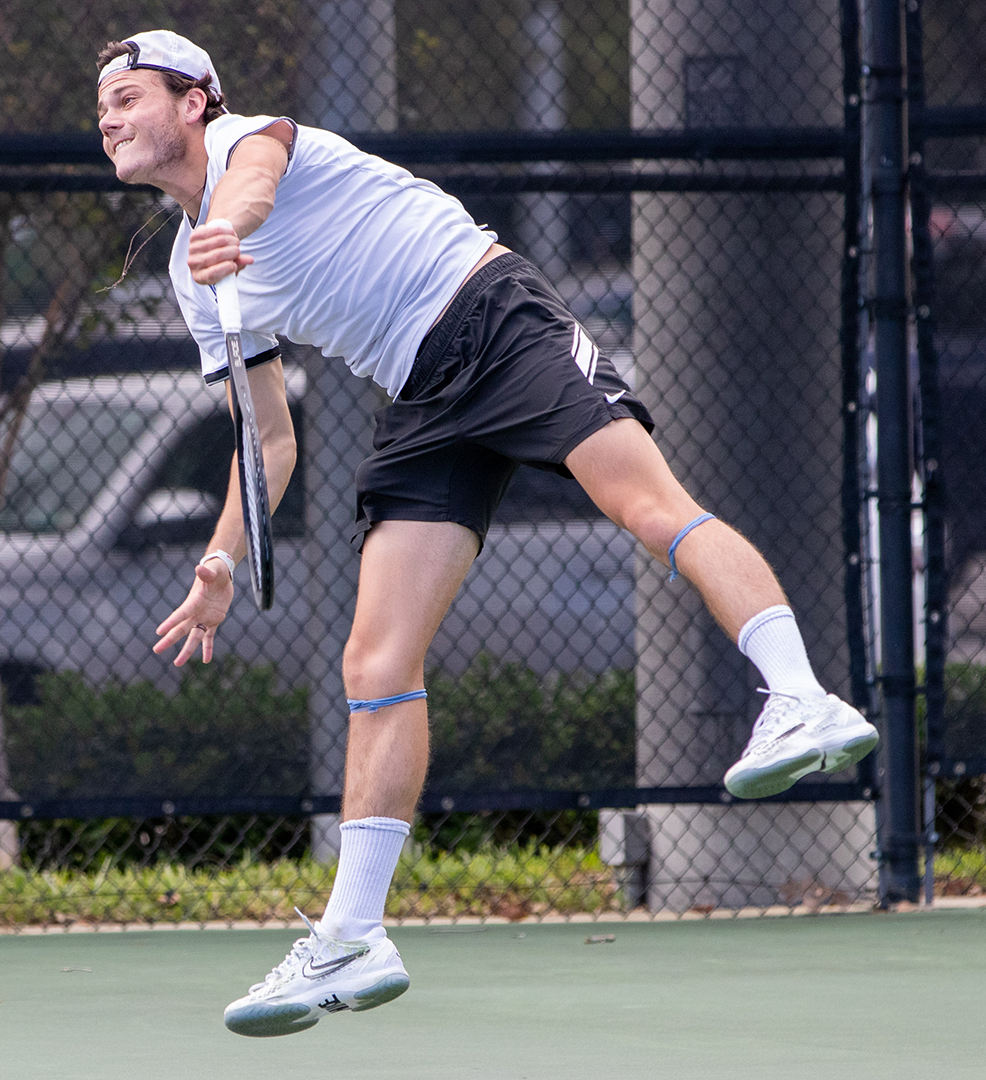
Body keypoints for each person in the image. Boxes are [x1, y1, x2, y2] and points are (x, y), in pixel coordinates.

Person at [94, 30, 879, 1038]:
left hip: (494, 319)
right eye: (102, 109)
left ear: (196, 101)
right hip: (418, 396)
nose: (111, 119)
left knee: (647, 507)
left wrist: (229, 230)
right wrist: (219, 563)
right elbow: (271, 439)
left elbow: (252, 183)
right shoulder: (193, 277)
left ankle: (801, 698)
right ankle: (352, 934)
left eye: (130, 96)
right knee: (375, 657)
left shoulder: (258, 142)